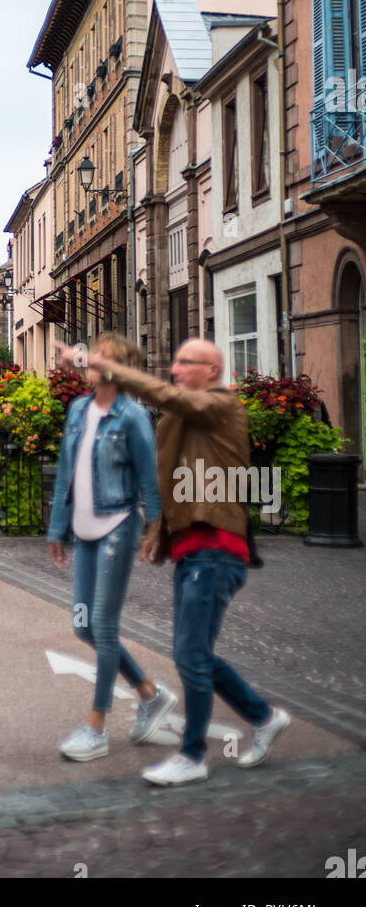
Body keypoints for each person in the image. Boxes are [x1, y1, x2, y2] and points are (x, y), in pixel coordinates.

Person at [75, 337, 290, 786]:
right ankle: (264, 717)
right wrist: (156, 533)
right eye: (173, 362)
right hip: (192, 550)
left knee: (191, 654)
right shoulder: (175, 420)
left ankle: (192, 755)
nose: (174, 369)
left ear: (212, 370)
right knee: (194, 654)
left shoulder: (223, 406)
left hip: (218, 549)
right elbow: (166, 482)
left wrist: (109, 369)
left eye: (185, 362)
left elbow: (166, 396)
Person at [47, 333, 175, 762]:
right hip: (84, 533)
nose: (94, 359)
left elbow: (149, 479)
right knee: (83, 627)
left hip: (118, 527)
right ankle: (150, 694)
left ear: (118, 369)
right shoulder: (79, 409)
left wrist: (155, 528)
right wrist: (57, 529)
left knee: (102, 625)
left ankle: (96, 728)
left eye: (104, 355)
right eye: (94, 352)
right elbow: (66, 471)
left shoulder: (133, 417)